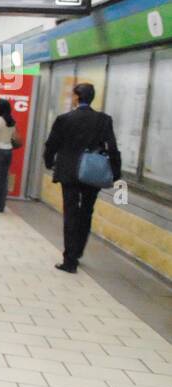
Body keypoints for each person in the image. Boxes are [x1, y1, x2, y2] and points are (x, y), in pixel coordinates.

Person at [43, 81, 122, 274]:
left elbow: (51, 144)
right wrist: (115, 172)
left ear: (77, 97)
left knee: (71, 212)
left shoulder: (64, 119)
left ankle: (69, 260)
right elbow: (112, 147)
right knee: (86, 212)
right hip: (92, 173)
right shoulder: (104, 120)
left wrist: (48, 162)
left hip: (69, 172)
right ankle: (77, 252)